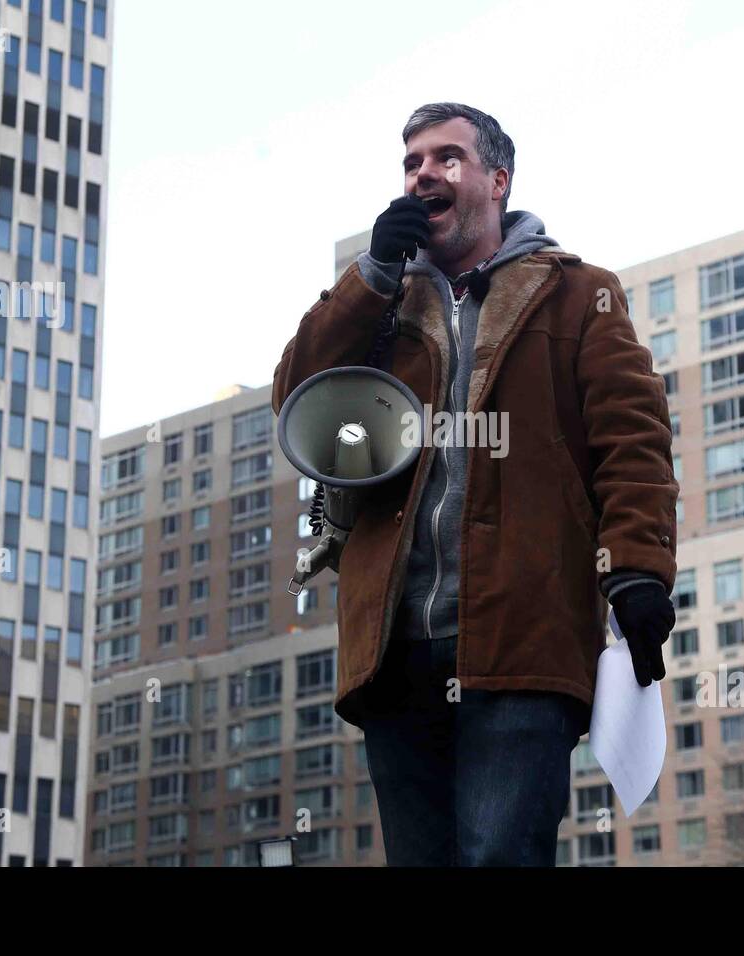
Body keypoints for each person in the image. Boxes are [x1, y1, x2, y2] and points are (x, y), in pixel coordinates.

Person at [272, 102, 679, 866]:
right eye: (412, 161)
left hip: (521, 639)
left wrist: (637, 568)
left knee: (499, 855)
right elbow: (299, 401)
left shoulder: (578, 294)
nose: (424, 172)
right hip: (394, 650)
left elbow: (634, 442)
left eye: (446, 158)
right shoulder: (378, 304)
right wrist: (368, 280)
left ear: (497, 179)